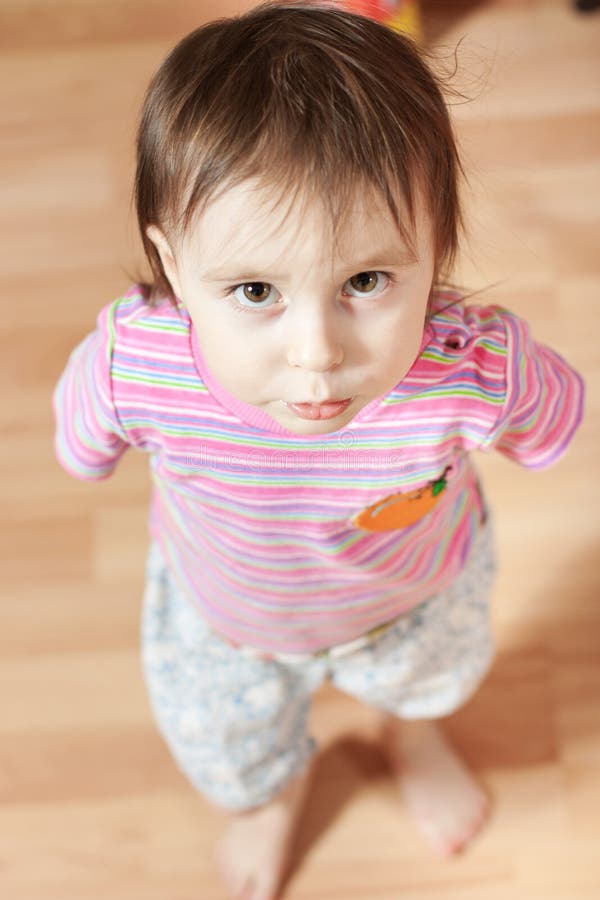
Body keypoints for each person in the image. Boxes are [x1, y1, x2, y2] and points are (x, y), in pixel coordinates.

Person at [52, 3, 584, 898]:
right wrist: (89, 446)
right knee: (230, 746)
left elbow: (553, 416)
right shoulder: (132, 365)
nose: (317, 353)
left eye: (366, 281)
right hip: (229, 620)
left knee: (428, 683)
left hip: (415, 596)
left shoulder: (471, 365)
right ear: (174, 265)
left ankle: (406, 736)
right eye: (256, 288)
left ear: (436, 253)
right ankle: (273, 796)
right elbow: (81, 443)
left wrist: (511, 379)